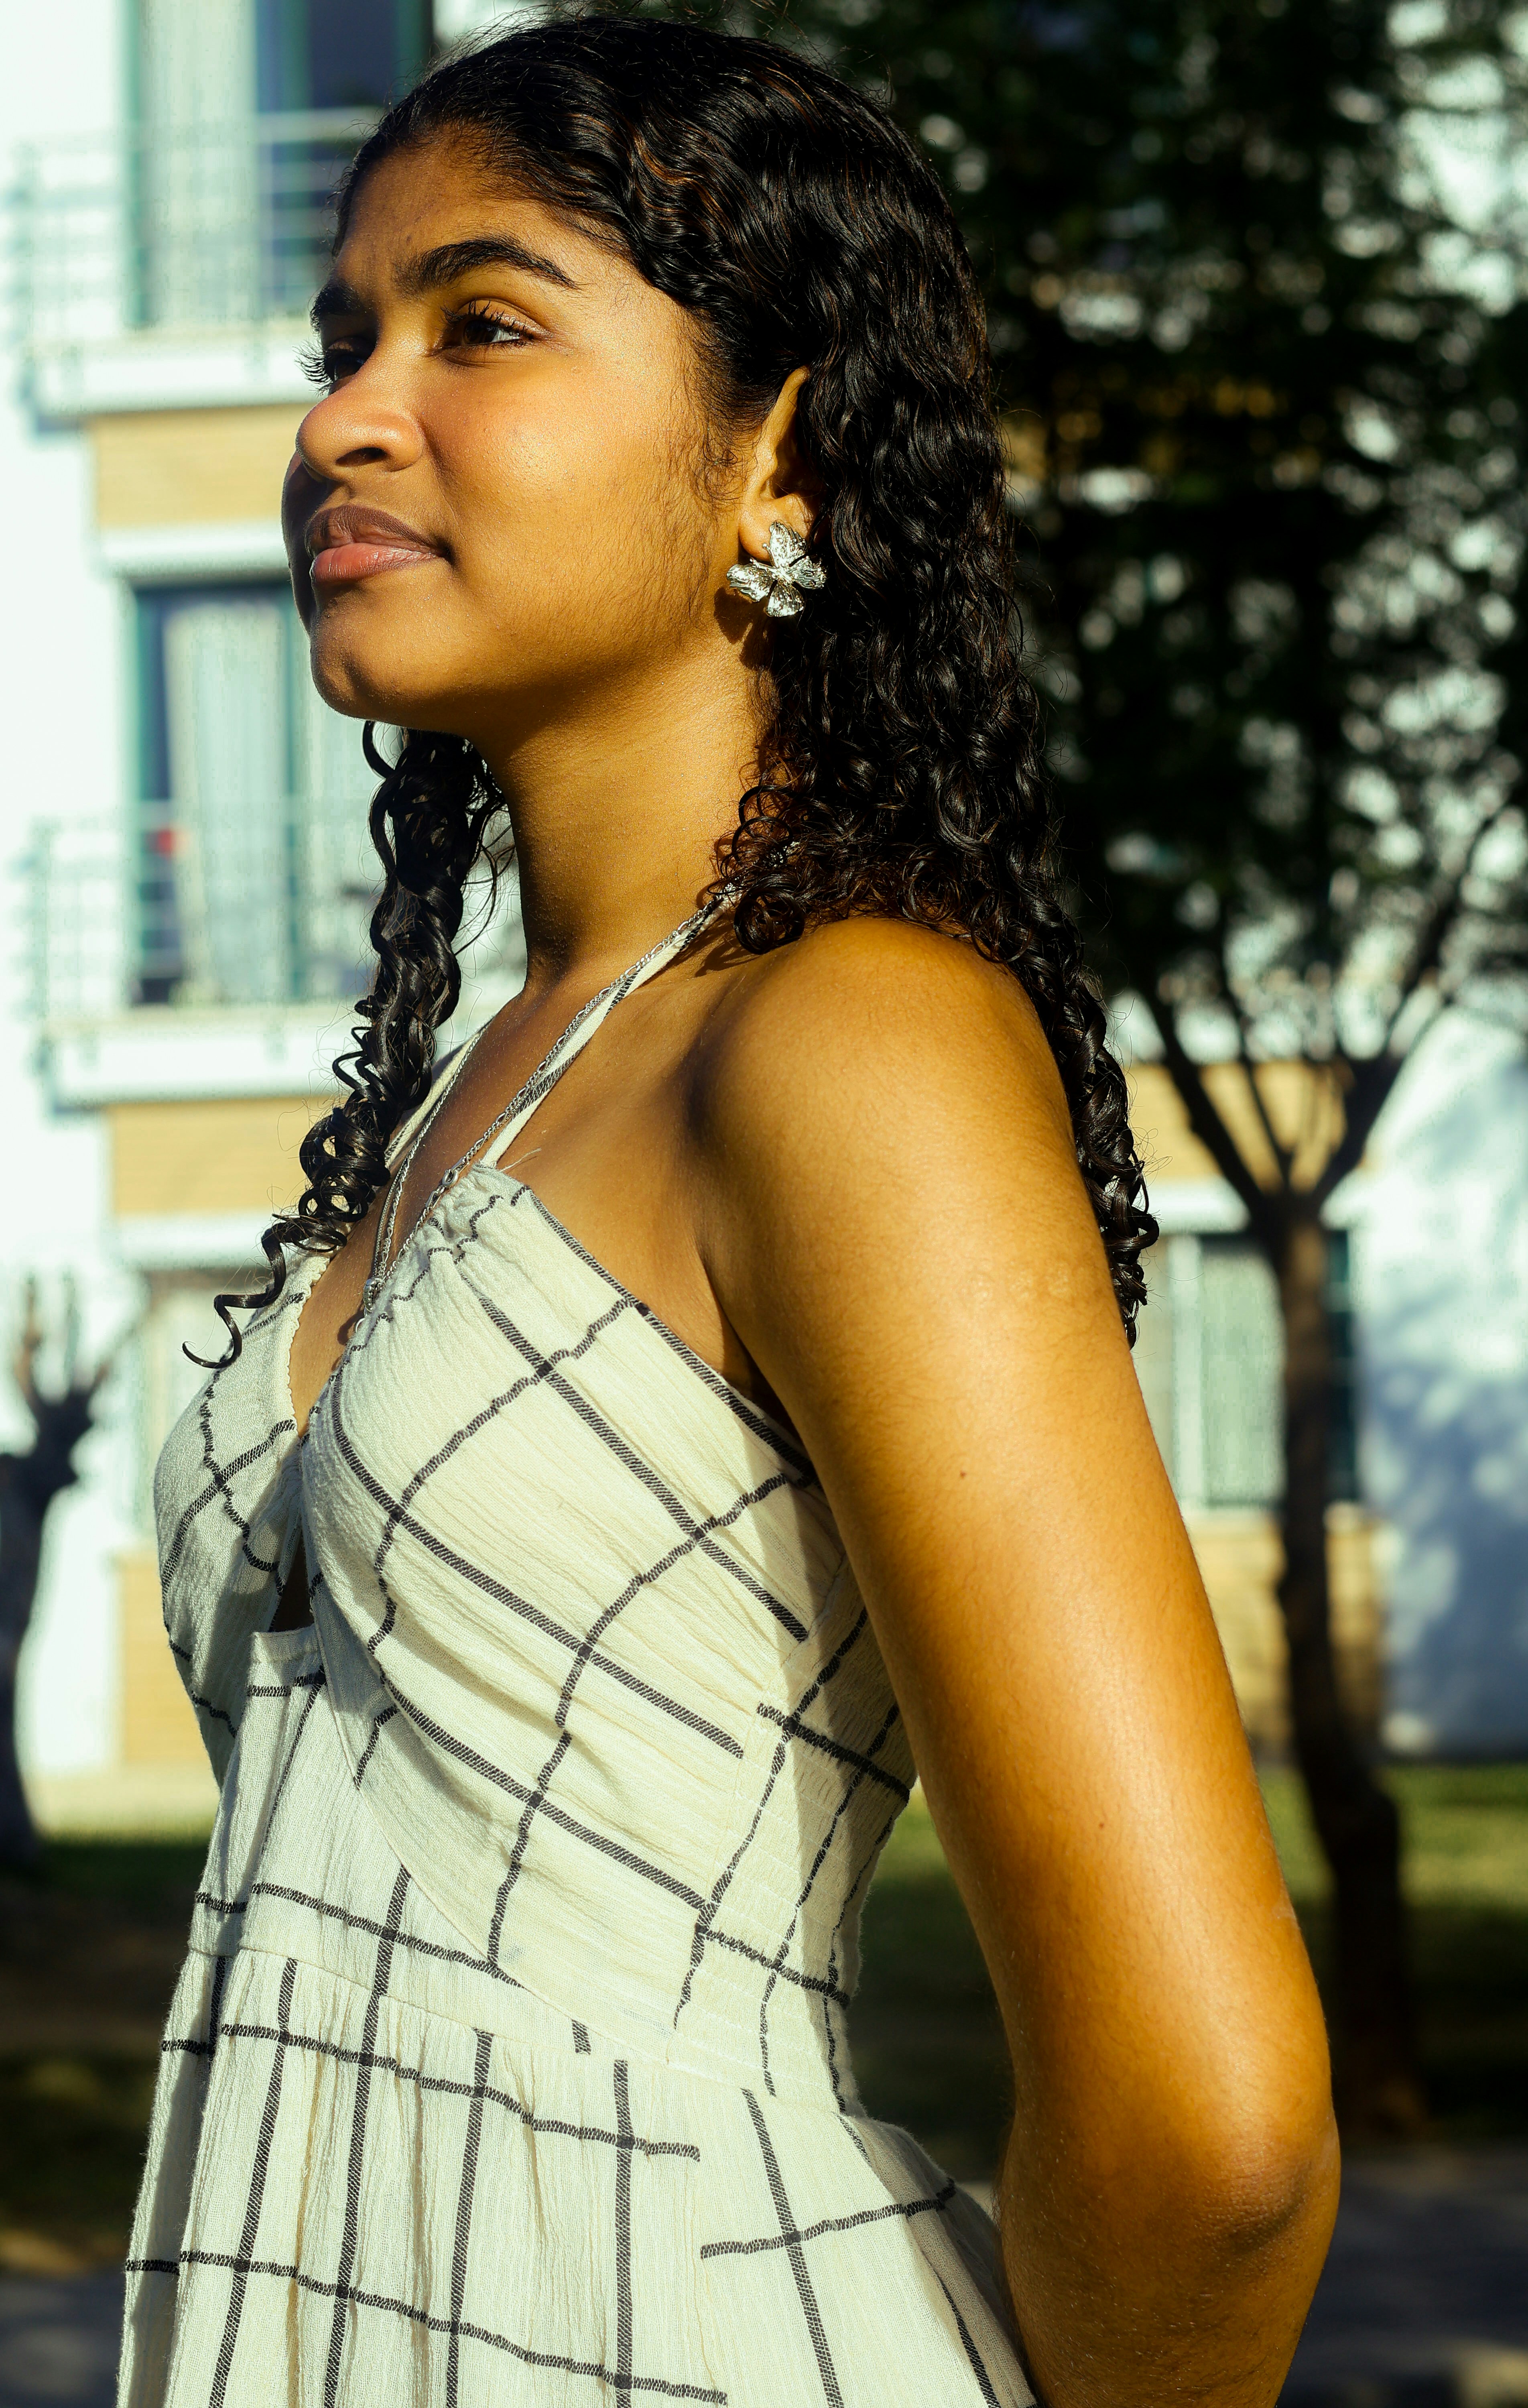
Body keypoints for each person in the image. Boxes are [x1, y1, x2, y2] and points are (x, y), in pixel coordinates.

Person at [122, 17, 1339, 2408]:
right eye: (339, 340)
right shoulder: (505, 1076)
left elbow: (1214, 2132)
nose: (346, 419)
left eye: (481, 325)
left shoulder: (845, 1043)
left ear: (774, 437)